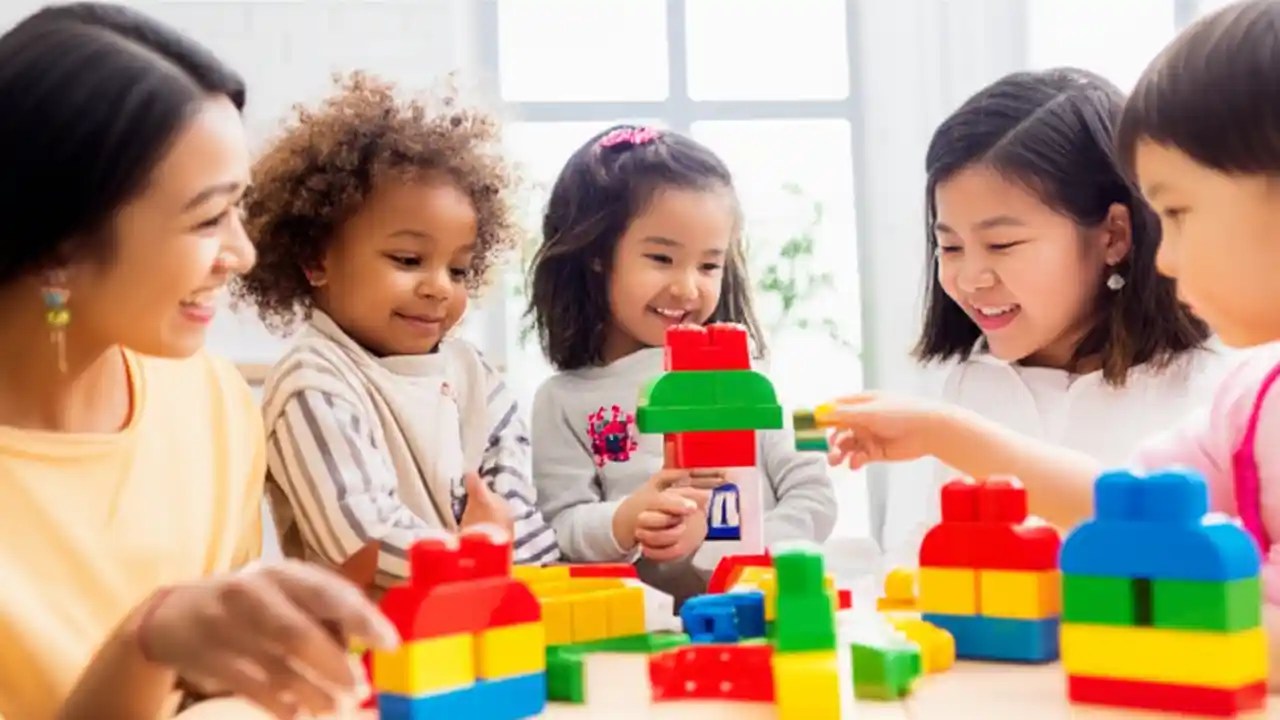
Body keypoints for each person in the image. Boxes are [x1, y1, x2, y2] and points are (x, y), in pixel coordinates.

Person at [827, 0, 1280, 685]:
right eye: (947, 244)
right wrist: (943, 430)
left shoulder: (1224, 379)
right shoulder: (1249, 400)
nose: (1167, 254)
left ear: (1113, 236)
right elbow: (1128, 504)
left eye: (1181, 213)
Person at [0, 4, 396, 720]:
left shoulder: (207, 404)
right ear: (59, 240)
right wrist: (146, 641)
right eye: (208, 219)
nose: (241, 254)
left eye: (240, 212)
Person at [880, 67, 1225, 560]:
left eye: (1002, 244)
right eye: (949, 246)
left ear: (1113, 235)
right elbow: (912, 568)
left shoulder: (1207, 393)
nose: (971, 277)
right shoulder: (953, 391)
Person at [233, 71, 560, 592]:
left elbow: (518, 516)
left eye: (457, 270)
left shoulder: (471, 373)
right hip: (375, 654)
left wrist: (507, 563)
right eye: (408, 260)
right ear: (316, 258)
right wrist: (474, 557)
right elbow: (362, 545)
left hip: (493, 635)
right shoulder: (313, 382)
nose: (438, 288)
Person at [526, 124, 836, 603]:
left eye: (709, 265)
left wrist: (741, 557)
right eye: (662, 258)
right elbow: (561, 524)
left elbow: (815, 492)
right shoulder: (562, 400)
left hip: (765, 604)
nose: (688, 288)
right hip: (649, 626)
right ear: (596, 256)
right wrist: (626, 519)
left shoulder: (751, 377)